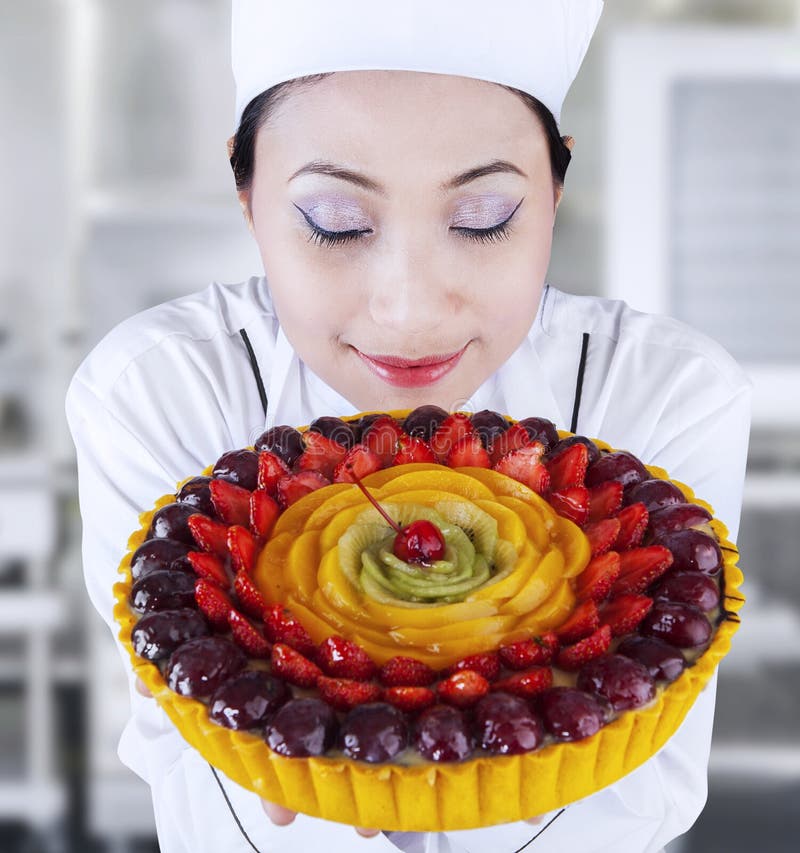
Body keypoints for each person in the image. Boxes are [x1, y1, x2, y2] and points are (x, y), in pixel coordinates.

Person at [66, 1, 751, 851]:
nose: (410, 306)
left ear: (556, 189)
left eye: (483, 217)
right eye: (336, 224)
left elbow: (644, 788)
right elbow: (184, 753)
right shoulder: (159, 387)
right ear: (247, 198)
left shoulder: (666, 391)